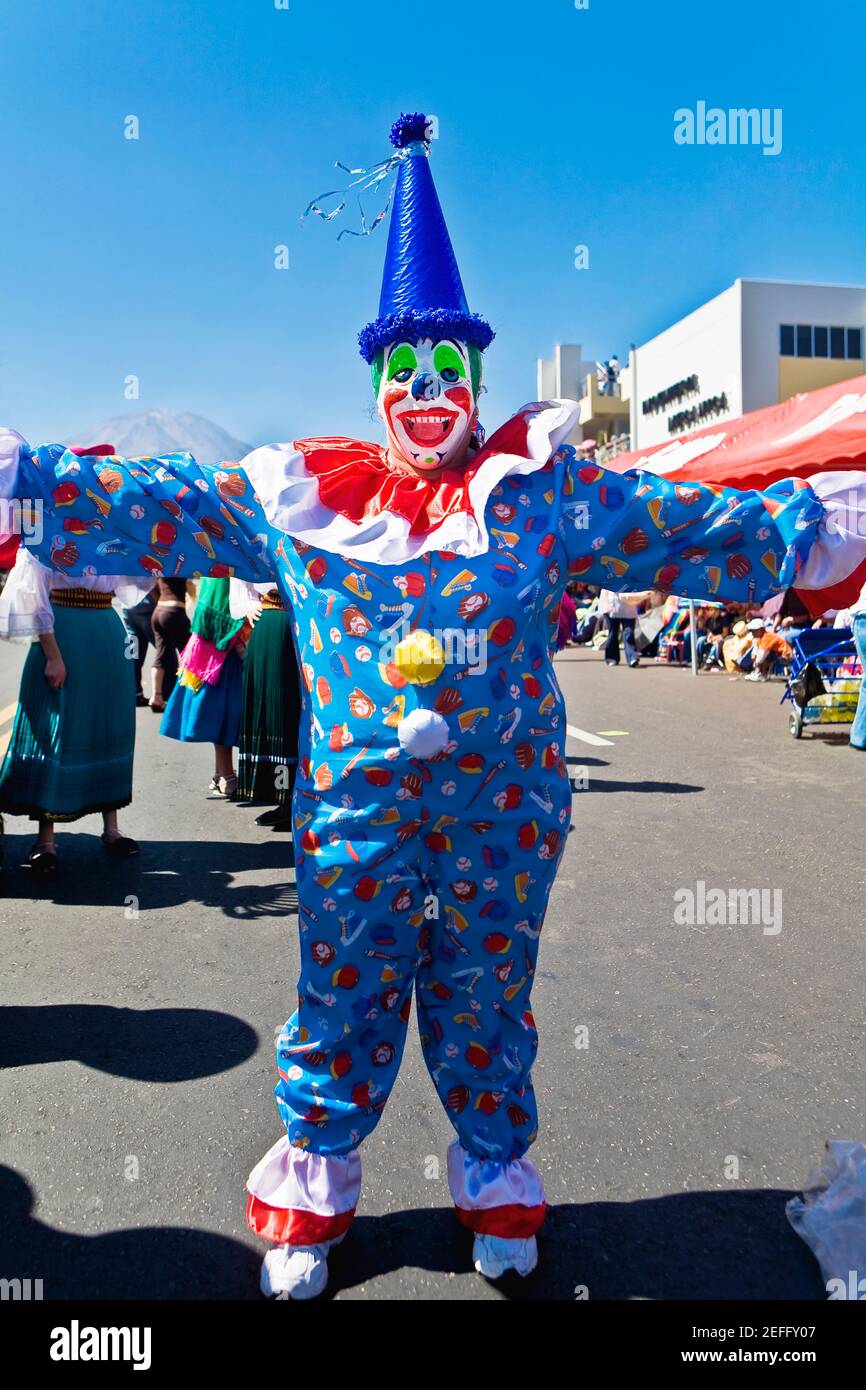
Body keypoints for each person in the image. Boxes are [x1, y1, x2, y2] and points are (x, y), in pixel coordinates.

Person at [2, 112, 864, 1298]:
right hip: (353, 812)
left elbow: (669, 522)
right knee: (342, 981)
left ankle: (497, 1172)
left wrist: (799, 529)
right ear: (374, 383)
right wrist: (28, 481)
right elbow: (163, 502)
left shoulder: (533, 493)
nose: (423, 392)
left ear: (475, 378)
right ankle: (314, 1176)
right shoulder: (301, 496)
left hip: (503, 808)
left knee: (484, 988)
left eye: (444, 371)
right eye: (402, 373)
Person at [0, 544, 144, 873]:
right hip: (63, 634)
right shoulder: (44, 533)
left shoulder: (114, 530)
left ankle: (111, 829)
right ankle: (45, 841)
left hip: (107, 632)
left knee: (109, 723)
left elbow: (136, 580)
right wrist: (52, 655)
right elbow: (33, 596)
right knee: (57, 730)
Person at [159, 576, 247, 798]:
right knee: (224, 705)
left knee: (220, 703)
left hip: (213, 630)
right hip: (223, 632)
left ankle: (222, 772)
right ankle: (226, 773)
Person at [232, 580, 301, 831]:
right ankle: (281, 799)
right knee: (275, 710)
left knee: (291, 710)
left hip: (301, 621)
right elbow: (239, 577)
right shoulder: (258, 539)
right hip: (271, 622)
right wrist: (248, 605)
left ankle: (295, 801)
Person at [149, 577, 190, 712]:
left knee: (161, 655)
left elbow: (152, 587)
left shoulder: (161, 565)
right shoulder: (181, 562)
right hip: (175, 611)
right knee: (189, 656)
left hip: (159, 611)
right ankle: (187, 696)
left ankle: (156, 696)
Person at [598, 588, 650, 667]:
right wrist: (601, 609)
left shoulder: (631, 577)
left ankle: (632, 658)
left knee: (629, 633)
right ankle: (612, 658)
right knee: (613, 634)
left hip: (628, 610)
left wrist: (646, 593)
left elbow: (633, 592)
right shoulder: (609, 577)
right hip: (611, 607)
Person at [743, 616, 793, 682]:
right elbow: (756, 648)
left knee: (763, 657)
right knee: (761, 656)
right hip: (776, 653)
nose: (753, 633)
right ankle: (759, 673)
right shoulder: (759, 638)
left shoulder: (767, 637)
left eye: (754, 631)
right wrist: (754, 656)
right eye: (751, 631)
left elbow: (762, 655)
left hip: (785, 655)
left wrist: (756, 663)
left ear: (761, 630)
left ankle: (761, 674)